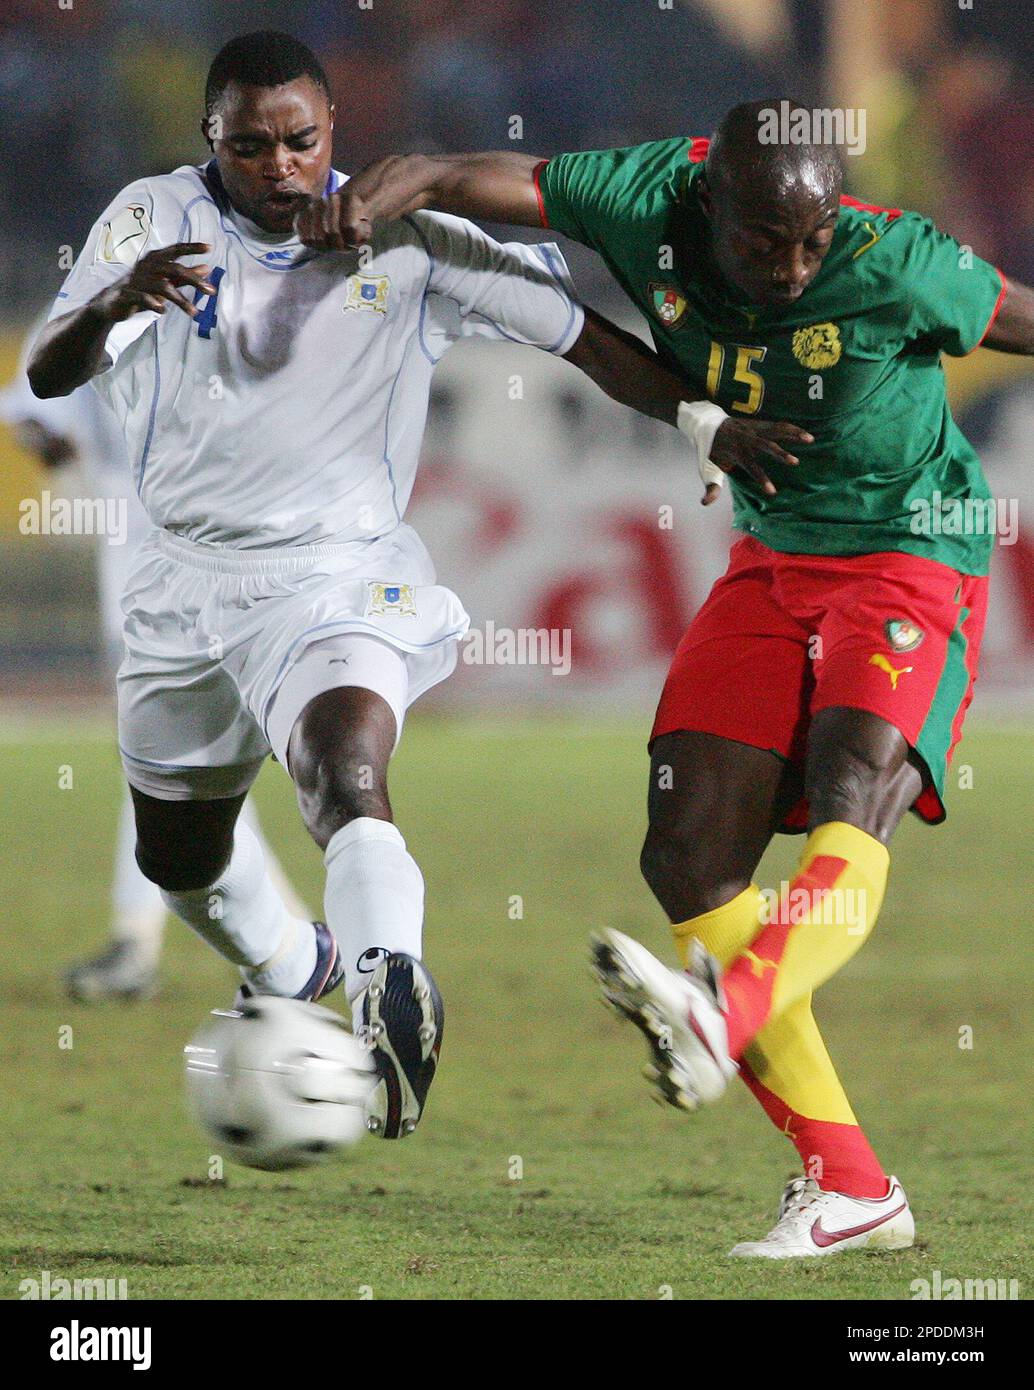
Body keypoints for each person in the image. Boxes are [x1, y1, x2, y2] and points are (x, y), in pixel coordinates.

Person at [27, 36, 800, 1140]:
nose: (279, 165)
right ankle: (296, 966)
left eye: (300, 141)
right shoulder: (152, 218)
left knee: (344, 766)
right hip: (178, 577)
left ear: (332, 130)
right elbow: (49, 369)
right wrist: (114, 304)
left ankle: (390, 979)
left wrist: (699, 419)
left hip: (335, 576)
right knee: (179, 861)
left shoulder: (412, 237)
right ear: (211, 139)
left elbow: (580, 338)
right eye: (249, 146)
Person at [328, 100, 1034, 1239]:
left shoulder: (894, 259)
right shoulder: (639, 195)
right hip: (772, 557)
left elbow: (1017, 315)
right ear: (708, 204)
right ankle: (853, 1186)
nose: (793, 270)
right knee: (687, 852)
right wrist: (370, 191)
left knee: (854, 784)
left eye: (812, 242)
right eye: (765, 242)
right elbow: (464, 176)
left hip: (911, 552)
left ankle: (720, 1013)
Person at [3, 317, 309, 1001]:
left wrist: (84, 449)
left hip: (179, 559)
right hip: (212, 553)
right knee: (178, 749)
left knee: (170, 749)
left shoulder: (104, 292)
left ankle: (278, 946)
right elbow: (36, 411)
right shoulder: (226, 283)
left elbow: (38, 424)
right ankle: (286, 942)